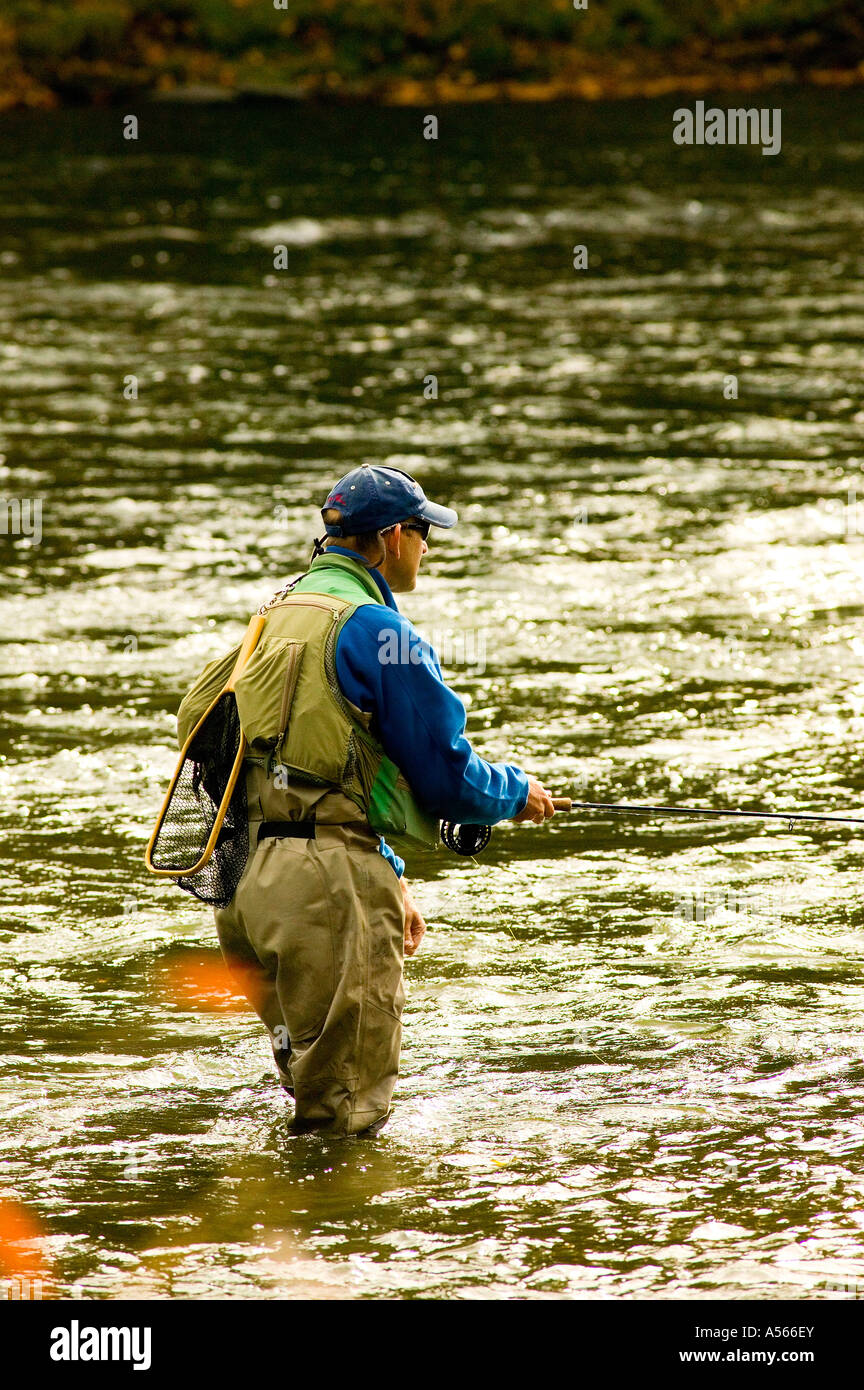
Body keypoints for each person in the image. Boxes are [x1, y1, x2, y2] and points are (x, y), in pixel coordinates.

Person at [210, 463, 555, 1136]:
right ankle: (338, 1237)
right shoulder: (377, 630)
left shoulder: (278, 612)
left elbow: (235, 736)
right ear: (394, 536)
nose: (428, 546)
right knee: (347, 1125)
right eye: (425, 532)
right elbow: (445, 777)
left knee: (309, 1103)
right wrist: (516, 793)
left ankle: (272, 1236)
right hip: (324, 894)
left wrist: (389, 872)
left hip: (243, 886)